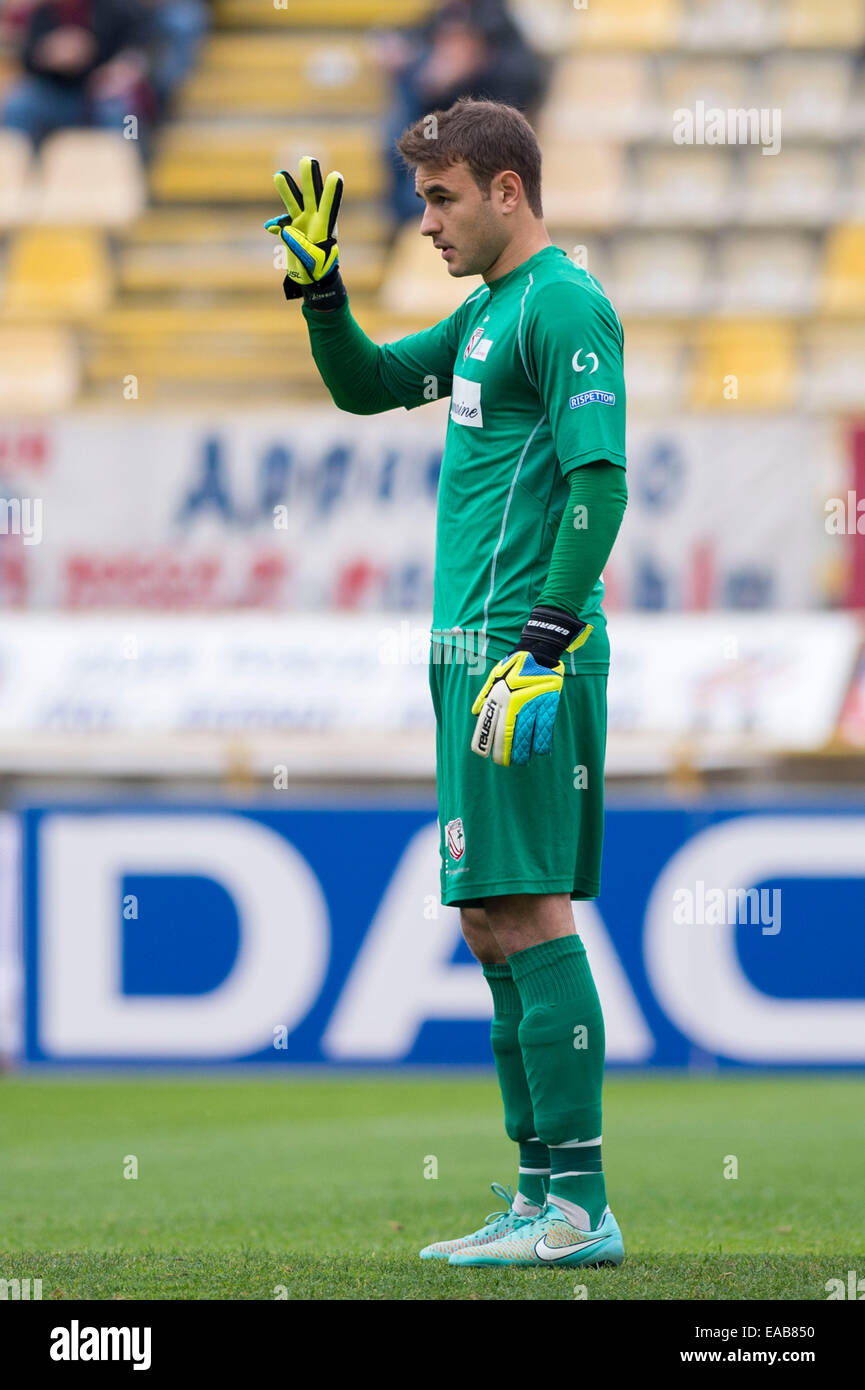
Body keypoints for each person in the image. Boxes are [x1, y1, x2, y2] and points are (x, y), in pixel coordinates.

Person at [265, 98, 628, 1270]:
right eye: (420, 198)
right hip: (469, 653)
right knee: (487, 922)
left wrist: (543, 640)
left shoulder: (562, 303)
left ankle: (577, 1205)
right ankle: (539, 1196)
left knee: (525, 910)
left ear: (506, 192)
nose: (423, 221)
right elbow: (367, 386)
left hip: (522, 657)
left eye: (441, 198)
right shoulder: (486, 314)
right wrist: (323, 297)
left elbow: (598, 483)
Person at [375, 1, 548, 225]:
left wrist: (471, 70)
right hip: (437, 135)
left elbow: (523, 83)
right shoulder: (440, 18)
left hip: (480, 141)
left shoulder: (497, 24)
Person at [1, 0, 153, 148]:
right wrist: (47, 54)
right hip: (55, 90)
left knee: (122, 113)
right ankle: (17, 168)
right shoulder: (43, 12)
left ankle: (126, 162)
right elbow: (28, 59)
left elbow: (139, 47)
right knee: (18, 104)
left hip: (100, 91)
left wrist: (115, 68)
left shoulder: (115, 8)